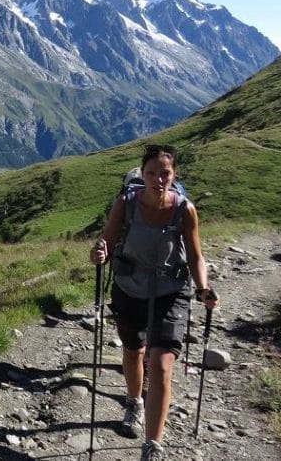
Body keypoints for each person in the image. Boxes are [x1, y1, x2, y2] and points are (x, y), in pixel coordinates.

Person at [89, 144, 219, 461]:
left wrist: (203, 288)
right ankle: (134, 402)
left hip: (171, 292)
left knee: (160, 366)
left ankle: (152, 447)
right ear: (142, 174)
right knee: (134, 351)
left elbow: (197, 257)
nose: (158, 179)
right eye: (151, 173)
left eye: (165, 174)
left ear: (174, 176)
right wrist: (99, 254)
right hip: (129, 287)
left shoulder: (185, 209)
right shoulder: (126, 204)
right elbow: (105, 242)